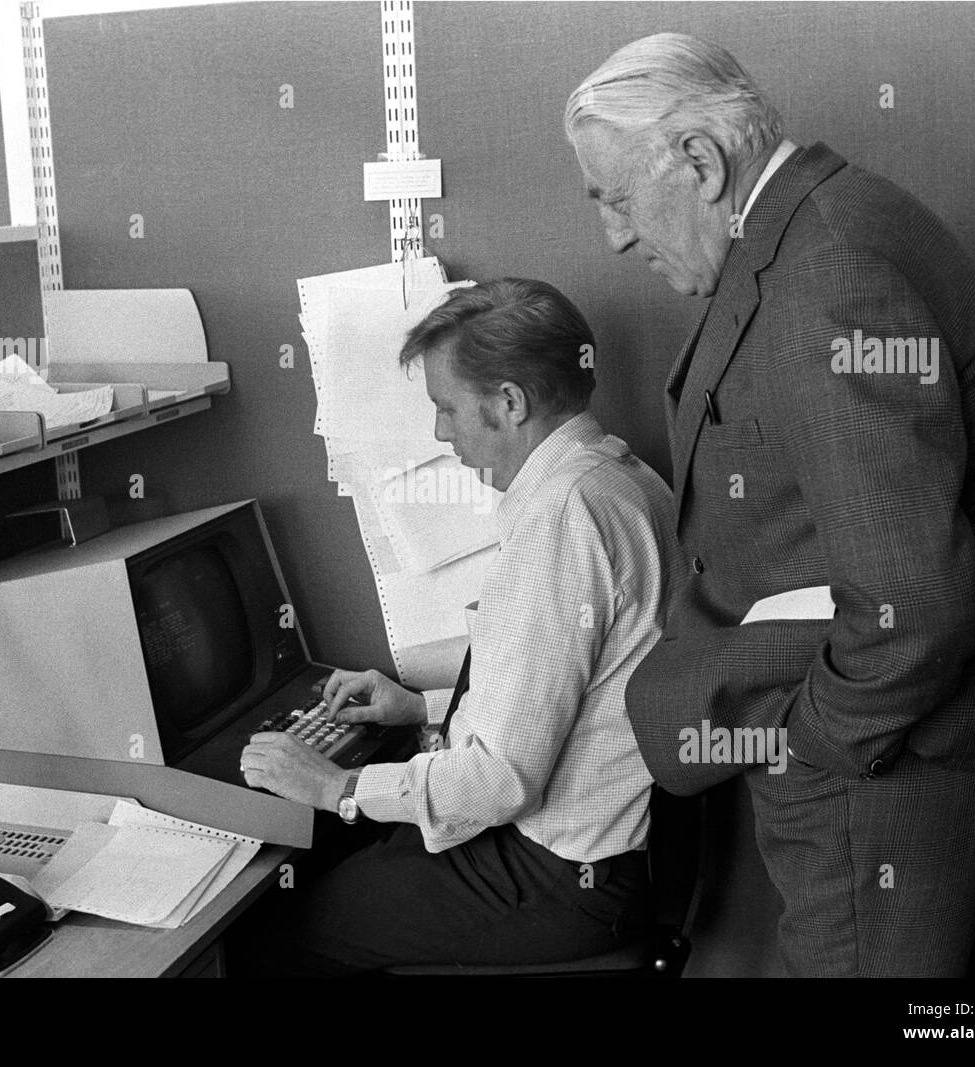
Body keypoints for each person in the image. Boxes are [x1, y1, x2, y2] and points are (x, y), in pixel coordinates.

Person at [565, 31, 975, 978]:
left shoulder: (827, 276)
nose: (614, 233)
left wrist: (813, 748)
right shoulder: (827, 227)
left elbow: (917, 605)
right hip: (935, 755)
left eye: (615, 196)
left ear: (698, 160)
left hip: (898, 776)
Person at [234, 278, 676, 975]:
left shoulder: (561, 521)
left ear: (508, 403)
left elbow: (502, 780)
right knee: (364, 859)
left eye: (446, 408)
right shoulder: (623, 478)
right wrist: (423, 708)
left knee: (277, 929)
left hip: (559, 874)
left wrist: (337, 789)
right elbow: (577, 704)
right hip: (612, 856)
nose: (441, 433)